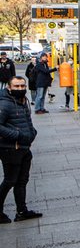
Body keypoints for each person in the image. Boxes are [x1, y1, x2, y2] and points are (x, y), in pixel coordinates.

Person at [0, 75, 41, 222]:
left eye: (22, 86)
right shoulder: (4, 104)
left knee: (22, 181)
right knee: (10, 181)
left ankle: (22, 211)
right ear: (9, 88)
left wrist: (32, 132)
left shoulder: (22, 101)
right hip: (10, 149)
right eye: (16, 86)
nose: (20, 89)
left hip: (23, 148)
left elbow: (26, 120)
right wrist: (17, 135)